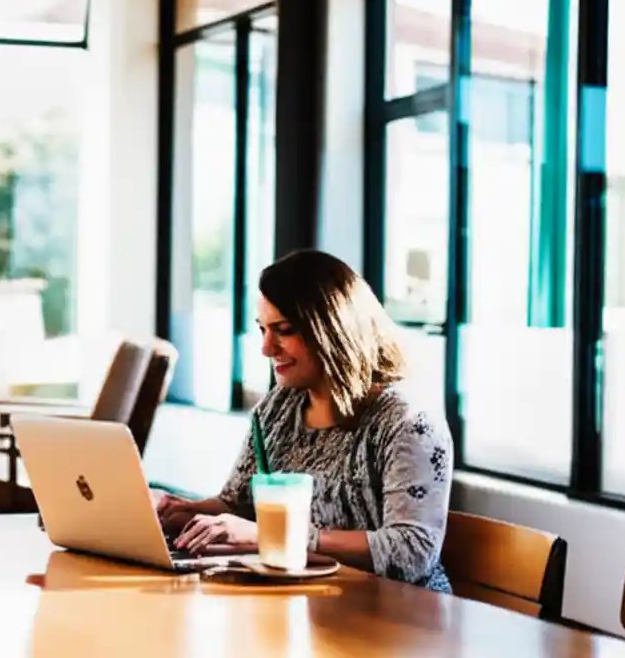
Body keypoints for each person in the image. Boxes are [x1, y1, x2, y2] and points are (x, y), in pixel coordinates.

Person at [155, 249, 453, 591]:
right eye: (263, 329)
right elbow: (238, 506)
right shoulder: (278, 407)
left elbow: (412, 551)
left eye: (283, 330)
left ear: (333, 329)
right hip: (307, 602)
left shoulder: (407, 422)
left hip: (398, 616)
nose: (267, 348)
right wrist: (177, 511)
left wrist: (278, 537)